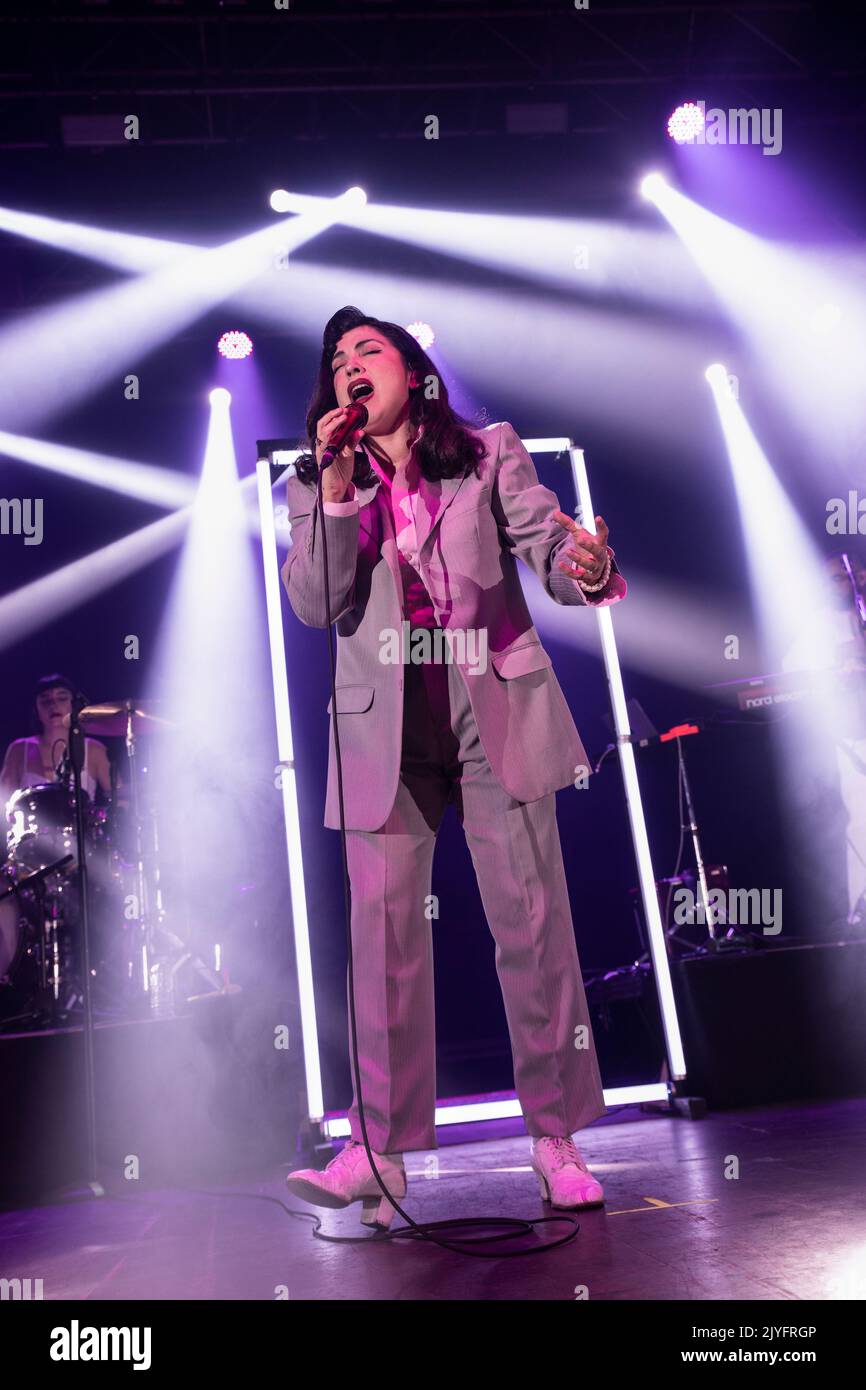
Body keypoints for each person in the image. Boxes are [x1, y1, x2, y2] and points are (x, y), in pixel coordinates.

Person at [281, 306, 627, 1229]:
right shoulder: (318, 482)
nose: (352, 364)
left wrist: (584, 565)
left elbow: (548, 545)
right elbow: (317, 602)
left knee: (533, 923)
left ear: (412, 372)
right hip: (382, 730)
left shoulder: (485, 452)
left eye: (371, 350)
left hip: (490, 707)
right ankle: (379, 1155)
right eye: (339, 358)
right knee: (383, 939)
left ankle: (556, 1139)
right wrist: (338, 490)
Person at [0, 674, 112, 811]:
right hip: (30, 831)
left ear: (73, 705)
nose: (53, 705)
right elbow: (3, 803)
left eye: (62, 698)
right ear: (36, 709)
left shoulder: (95, 749)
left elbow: (120, 798)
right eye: (45, 700)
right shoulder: (19, 749)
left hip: (82, 831)